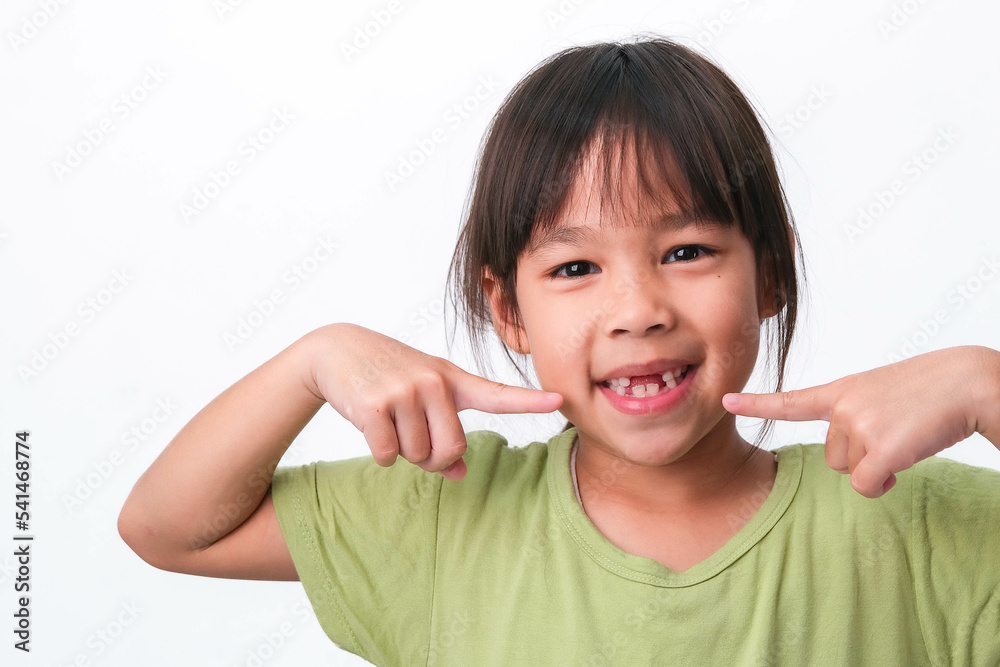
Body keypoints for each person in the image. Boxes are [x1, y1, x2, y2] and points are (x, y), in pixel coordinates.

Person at [118, 37, 1000, 665]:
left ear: (770, 274)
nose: (636, 309)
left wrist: (987, 386)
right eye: (576, 266)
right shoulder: (445, 518)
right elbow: (167, 528)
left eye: (686, 251)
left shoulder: (924, 523)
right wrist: (314, 358)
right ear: (508, 311)